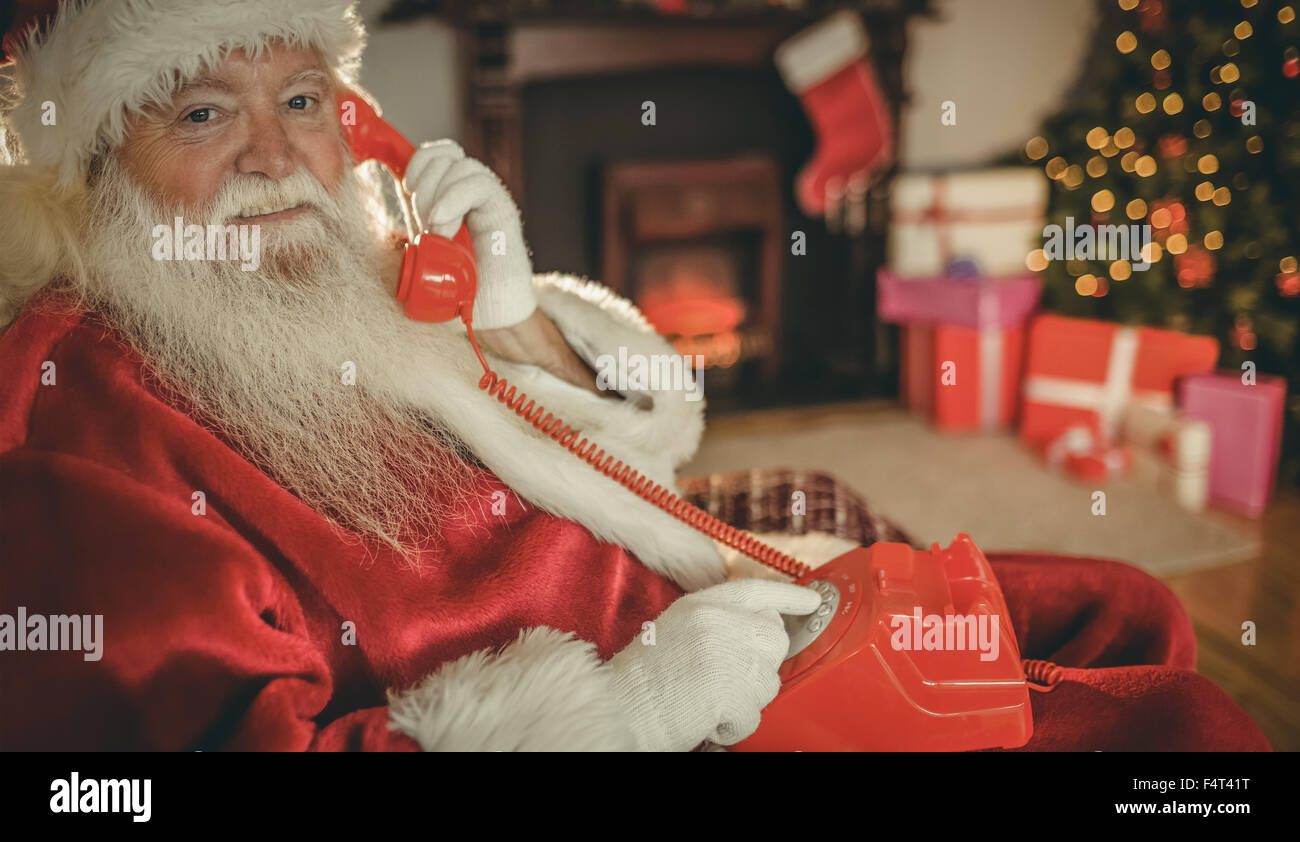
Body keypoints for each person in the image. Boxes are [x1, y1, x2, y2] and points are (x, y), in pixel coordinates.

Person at [0, 0, 1270, 752]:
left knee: (1124, 607)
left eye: (304, 98)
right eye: (204, 115)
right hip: (656, 700)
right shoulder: (76, 413)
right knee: (1169, 724)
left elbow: (623, 460)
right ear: (96, 168)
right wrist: (633, 712)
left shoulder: (337, 278)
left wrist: (514, 328)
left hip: (702, 591)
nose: (283, 158)